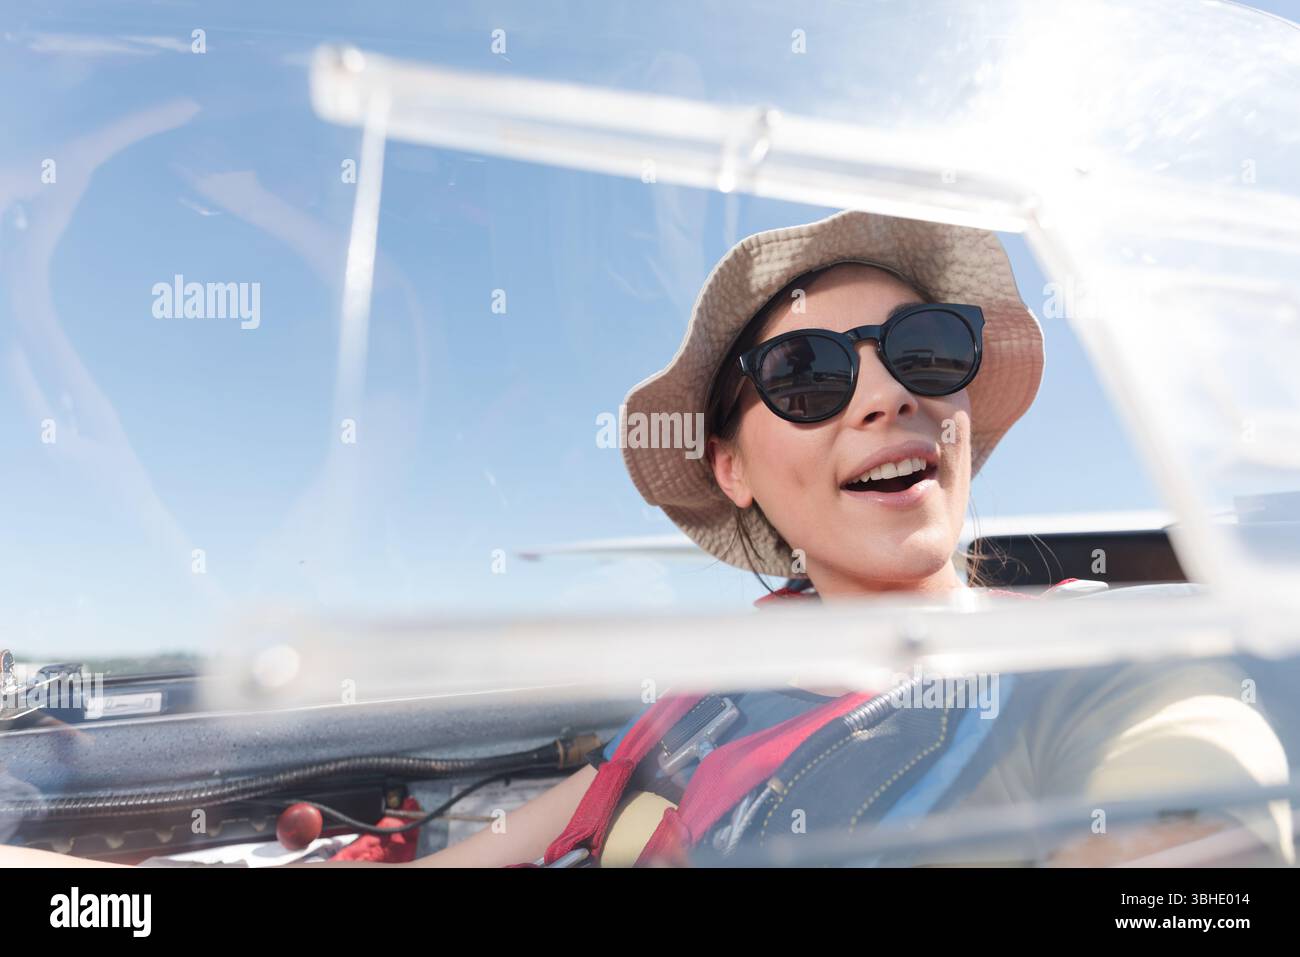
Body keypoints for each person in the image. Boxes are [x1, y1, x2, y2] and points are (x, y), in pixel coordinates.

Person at [5, 209, 1289, 868]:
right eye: (803, 376)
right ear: (733, 471)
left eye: (923, 353)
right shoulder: (704, 695)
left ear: (954, 403)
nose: (887, 394)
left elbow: (1197, 831)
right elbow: (514, 839)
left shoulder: (1096, 670)